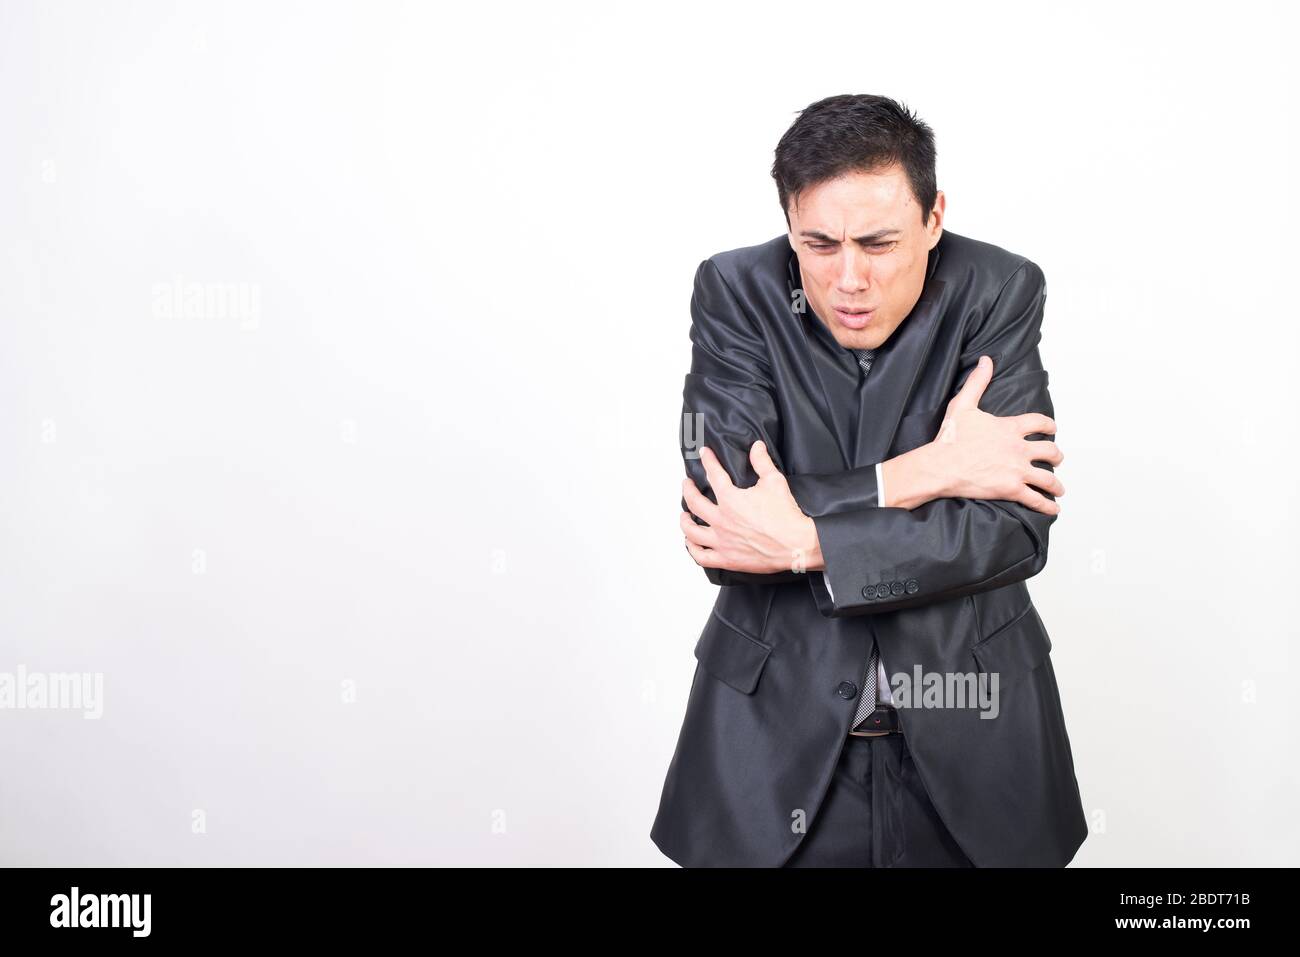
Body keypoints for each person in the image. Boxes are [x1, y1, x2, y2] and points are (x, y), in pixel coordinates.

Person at [650, 93, 1087, 867]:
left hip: (976, 753)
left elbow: (1013, 530)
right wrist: (931, 470)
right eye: (819, 244)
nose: (849, 278)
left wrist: (804, 540)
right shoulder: (736, 291)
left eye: (880, 243)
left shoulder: (998, 289)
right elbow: (725, 523)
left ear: (934, 217)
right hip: (772, 756)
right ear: (788, 221)